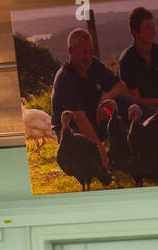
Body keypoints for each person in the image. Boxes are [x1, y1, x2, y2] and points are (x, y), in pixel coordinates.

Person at [50, 30, 132, 173]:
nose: (88, 57)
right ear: (71, 51)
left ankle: (130, 151)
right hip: (73, 129)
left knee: (126, 101)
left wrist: (105, 99)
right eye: (84, 52)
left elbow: (122, 87)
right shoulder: (65, 78)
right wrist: (103, 157)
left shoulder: (94, 64)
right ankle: (101, 160)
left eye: (90, 51)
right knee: (80, 149)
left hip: (94, 119)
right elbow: (80, 120)